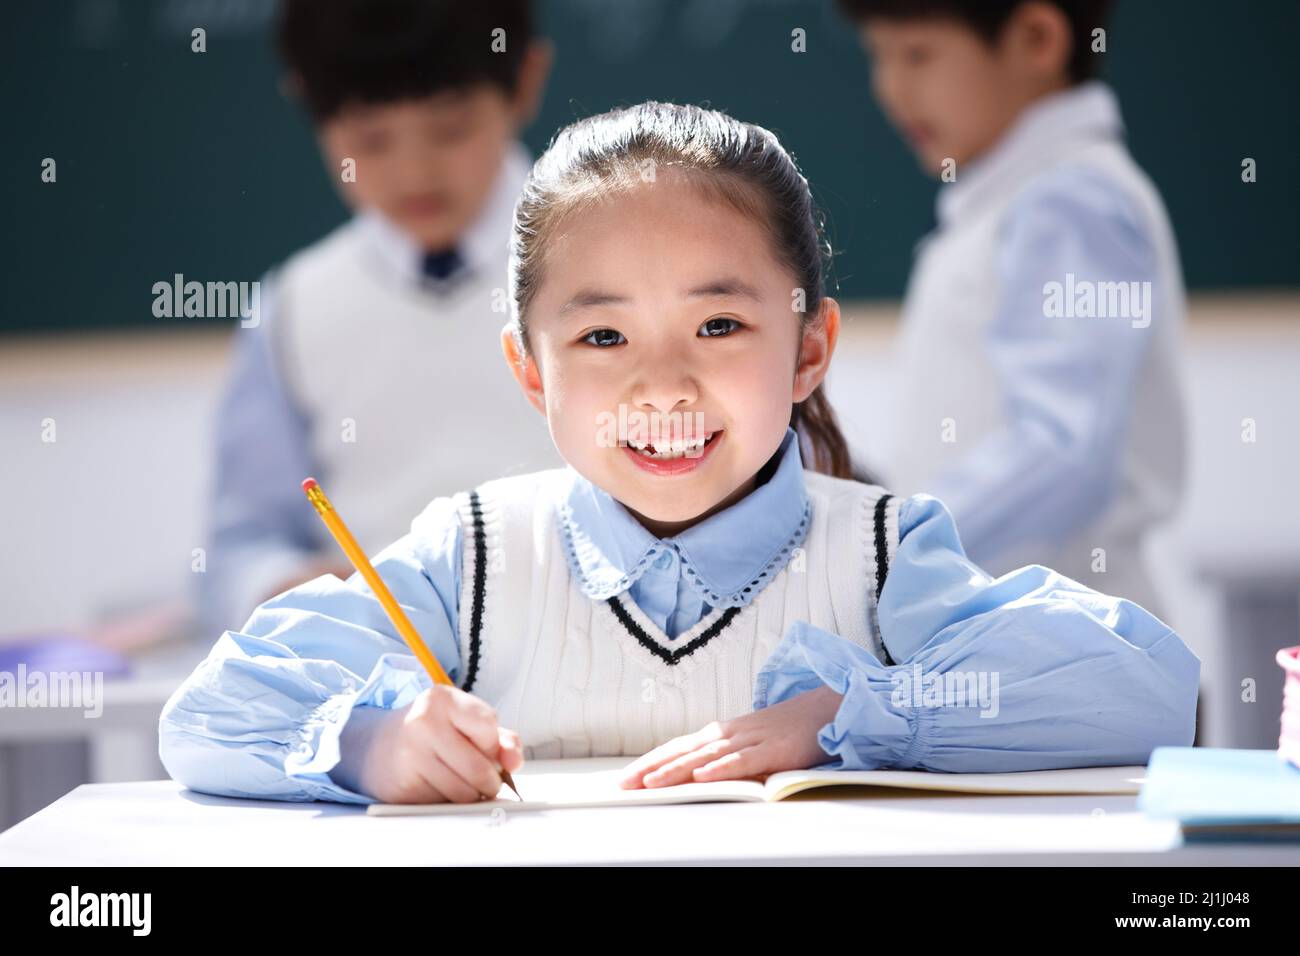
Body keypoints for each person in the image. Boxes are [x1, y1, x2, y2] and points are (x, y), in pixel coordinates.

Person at [160, 102, 1199, 806]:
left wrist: (850, 715)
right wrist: (373, 744)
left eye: (718, 327)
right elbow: (210, 709)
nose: (662, 385)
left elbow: (1145, 688)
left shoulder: (882, 552)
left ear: (808, 350)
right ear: (530, 371)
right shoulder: (469, 556)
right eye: (602, 337)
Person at [198, 0, 561, 634]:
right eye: (371, 140)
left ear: (525, 81)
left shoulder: (610, 262)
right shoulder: (296, 305)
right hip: (377, 676)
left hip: (586, 649)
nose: (414, 170)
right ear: (308, 102)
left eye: (451, 129)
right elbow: (240, 544)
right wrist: (283, 585)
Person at [837, 0, 1187, 617]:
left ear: (1036, 39)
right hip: (1042, 657)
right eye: (878, 56)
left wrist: (888, 546)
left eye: (917, 54)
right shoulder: (1012, 199)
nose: (892, 88)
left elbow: (1064, 448)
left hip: (1084, 669)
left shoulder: (1070, 196)